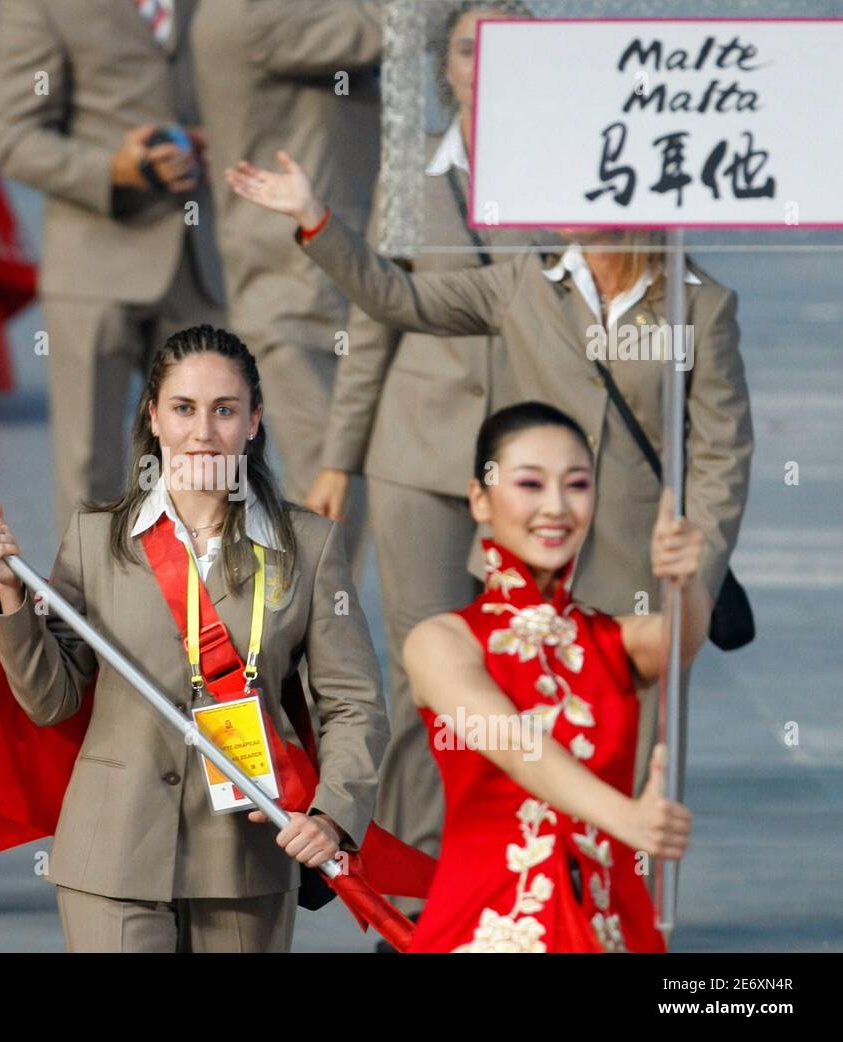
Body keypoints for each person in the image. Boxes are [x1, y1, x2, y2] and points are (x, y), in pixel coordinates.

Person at [226, 143, 753, 797]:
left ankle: (619, 905)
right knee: (525, 781)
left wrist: (693, 582)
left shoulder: (702, 306)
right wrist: (315, 219)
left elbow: (721, 455)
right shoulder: (525, 283)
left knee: (628, 777)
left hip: (638, 579)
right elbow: (401, 298)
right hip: (523, 578)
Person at [0, 325, 388, 953]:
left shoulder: (310, 546)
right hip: (113, 848)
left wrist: (331, 813)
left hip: (247, 858)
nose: (203, 431)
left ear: (255, 420)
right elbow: (50, 700)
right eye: (183, 408)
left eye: (225, 410)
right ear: (153, 417)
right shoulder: (95, 537)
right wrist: (11, 591)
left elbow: (354, 705)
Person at [306, 1, 546, 920]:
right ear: (440, 65)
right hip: (418, 458)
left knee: (528, 670)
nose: (483, 64)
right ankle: (422, 889)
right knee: (419, 675)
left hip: (537, 471)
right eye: (464, 47)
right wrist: (340, 458)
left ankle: (523, 879)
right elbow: (376, 319)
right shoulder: (414, 174)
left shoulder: (578, 176)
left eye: (505, 46)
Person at [402, 402, 702, 951]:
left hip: (614, 924)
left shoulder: (616, 640)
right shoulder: (440, 643)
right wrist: (628, 820)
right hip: (488, 921)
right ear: (480, 499)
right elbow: (517, 748)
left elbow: (683, 638)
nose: (556, 507)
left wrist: (686, 578)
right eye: (530, 484)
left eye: (578, 484)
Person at [0, 0, 225, 534]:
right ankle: (86, 615)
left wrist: (228, 144)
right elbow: (14, 137)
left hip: (205, 261)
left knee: (213, 471)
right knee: (90, 480)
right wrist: (112, 170)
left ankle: (209, 614)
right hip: (94, 265)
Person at [189, 0, 381, 557]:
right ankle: (304, 640)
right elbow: (391, 25)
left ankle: (308, 634)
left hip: (321, 278)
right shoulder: (261, 12)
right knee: (328, 485)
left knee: (335, 485)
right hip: (296, 288)